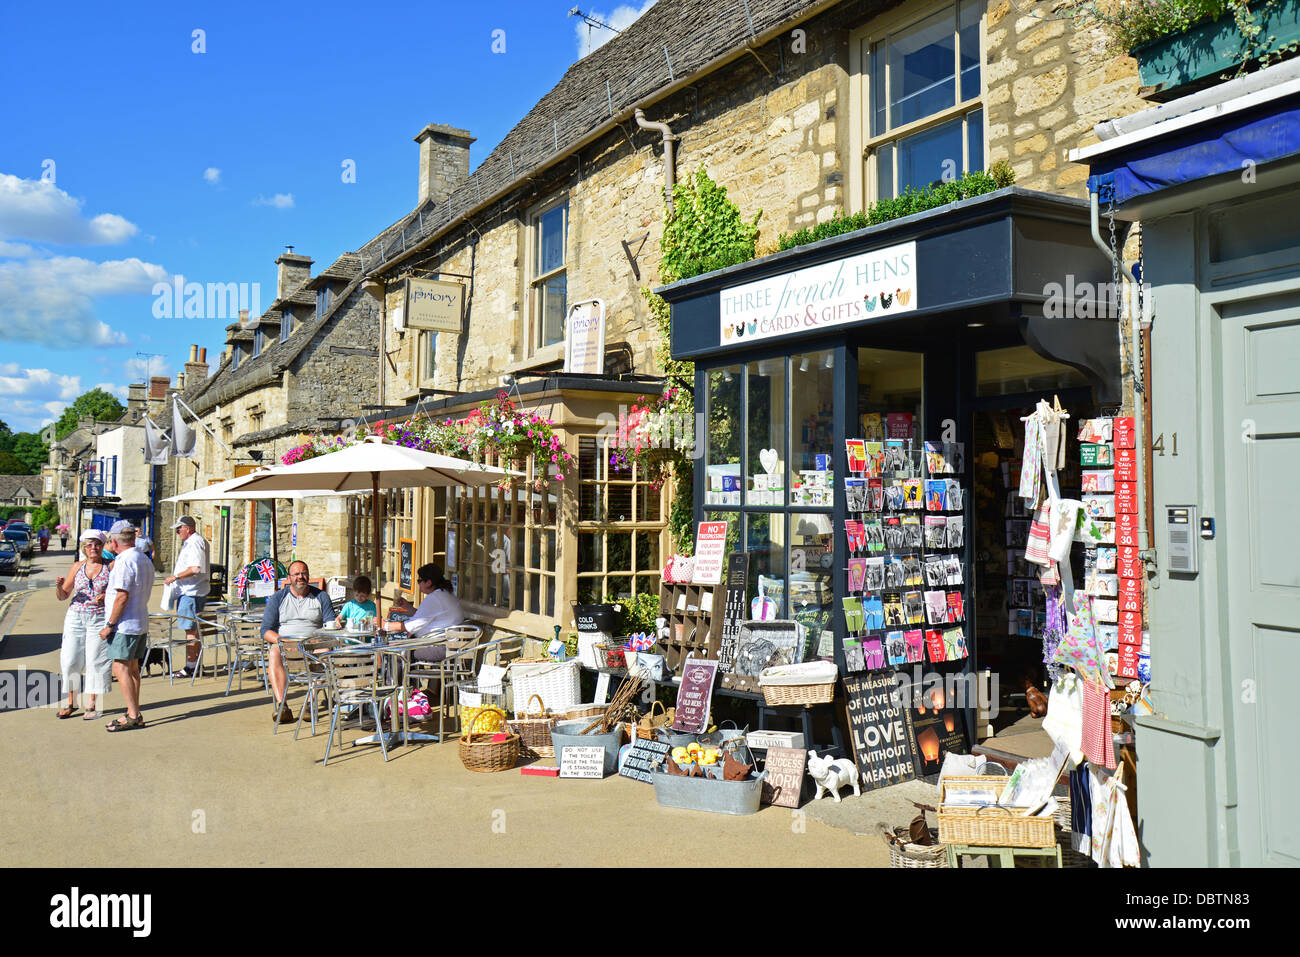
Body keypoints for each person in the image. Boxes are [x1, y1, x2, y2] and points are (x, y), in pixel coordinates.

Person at [261, 560, 335, 723]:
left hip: (313, 644)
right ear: (289, 578)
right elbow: (265, 630)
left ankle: (310, 702)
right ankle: (282, 706)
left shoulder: (321, 596)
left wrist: (319, 639)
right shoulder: (278, 598)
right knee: (274, 652)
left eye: (304, 573)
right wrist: (284, 642)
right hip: (286, 645)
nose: (300, 577)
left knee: (326, 651)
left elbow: (330, 625)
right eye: (296, 574)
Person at [101, 521, 155, 731]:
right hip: (139, 620)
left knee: (120, 667)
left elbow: (122, 596)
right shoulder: (143, 558)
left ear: (114, 541)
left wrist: (109, 625)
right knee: (132, 668)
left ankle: (133, 715)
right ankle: (133, 711)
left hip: (124, 624)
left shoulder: (124, 561)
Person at [53, 530, 111, 720]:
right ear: (84, 548)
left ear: (102, 546)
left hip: (99, 619)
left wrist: (106, 597)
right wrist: (59, 586)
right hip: (75, 617)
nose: (93, 548)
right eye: (89, 545)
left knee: (95, 660)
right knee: (70, 659)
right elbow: (63, 596)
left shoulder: (111, 566)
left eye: (97, 544)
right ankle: (71, 702)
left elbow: (120, 593)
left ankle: (92, 704)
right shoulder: (77, 567)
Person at [386, 564, 464, 665]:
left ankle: (398, 681)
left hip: (442, 648)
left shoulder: (434, 598)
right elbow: (425, 618)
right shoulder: (445, 594)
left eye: (419, 581)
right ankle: (410, 680)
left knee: (399, 652)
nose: (418, 584)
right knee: (407, 647)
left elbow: (412, 626)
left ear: (428, 582)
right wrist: (408, 607)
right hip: (450, 645)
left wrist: (385, 625)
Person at [163, 515, 210, 678]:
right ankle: (196, 664)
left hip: (191, 592)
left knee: (190, 631)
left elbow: (196, 568)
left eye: (179, 528)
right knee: (192, 630)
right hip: (192, 592)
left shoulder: (195, 542)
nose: (177, 532)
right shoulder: (194, 542)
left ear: (188, 528)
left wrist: (175, 577)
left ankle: (191, 666)